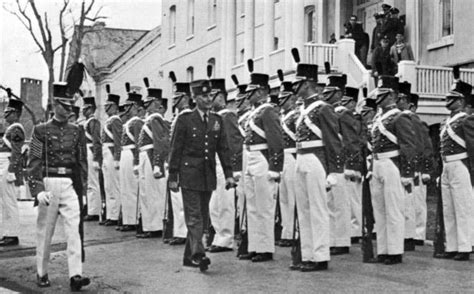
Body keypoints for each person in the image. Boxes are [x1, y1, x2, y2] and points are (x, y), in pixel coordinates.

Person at [28, 83, 90, 291]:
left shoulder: (77, 131)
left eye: (71, 105)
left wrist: (85, 192)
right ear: (55, 105)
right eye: (65, 105)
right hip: (49, 183)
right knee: (45, 232)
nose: (70, 109)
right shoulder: (40, 130)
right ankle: (42, 272)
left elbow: (82, 163)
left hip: (70, 184)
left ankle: (76, 274)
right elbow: (34, 162)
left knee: (74, 231)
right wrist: (38, 191)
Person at [168, 79, 235, 272]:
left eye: (209, 96)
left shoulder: (217, 120)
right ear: (194, 98)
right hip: (189, 174)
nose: (208, 99)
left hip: (208, 175)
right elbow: (176, 149)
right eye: (203, 96)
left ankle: (189, 256)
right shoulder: (185, 119)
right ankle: (199, 254)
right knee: (194, 217)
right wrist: (173, 176)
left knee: (203, 217)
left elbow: (223, 149)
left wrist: (229, 174)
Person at [293, 55, 343, 271]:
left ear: (308, 84)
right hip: (301, 158)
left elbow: (333, 142)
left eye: (299, 83)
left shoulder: (323, 108)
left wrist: (334, 171)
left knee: (317, 208)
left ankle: (320, 256)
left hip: (316, 159)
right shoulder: (302, 109)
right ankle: (308, 255)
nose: (295, 87)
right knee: (303, 209)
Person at [369, 76, 416, 265]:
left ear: (392, 95)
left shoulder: (400, 116)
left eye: (383, 94)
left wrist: (406, 173)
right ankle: (383, 249)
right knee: (379, 210)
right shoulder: (379, 117)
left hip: (392, 164)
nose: (378, 98)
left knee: (394, 209)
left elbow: (408, 146)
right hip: (378, 164)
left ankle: (395, 251)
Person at [240, 71, 284, 263]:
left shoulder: (268, 111)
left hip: (263, 158)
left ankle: (265, 248)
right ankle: (254, 245)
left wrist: (275, 167)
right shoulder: (253, 113)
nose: (249, 95)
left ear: (262, 91)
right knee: (252, 206)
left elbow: (276, 141)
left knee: (264, 206)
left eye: (253, 91)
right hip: (251, 156)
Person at [439, 79, 474, 261]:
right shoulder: (447, 121)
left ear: (461, 101)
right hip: (447, 166)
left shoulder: (466, 120)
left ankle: (465, 246)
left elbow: (472, 146)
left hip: (460, 165)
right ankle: (451, 246)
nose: (448, 101)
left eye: (452, 98)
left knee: (462, 207)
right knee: (449, 208)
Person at [208, 77, 243, 253]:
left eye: (211, 95)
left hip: (224, 164)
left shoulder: (227, 116)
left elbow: (235, 142)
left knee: (225, 202)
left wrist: (234, 169)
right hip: (212, 163)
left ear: (221, 97)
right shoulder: (211, 117)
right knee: (214, 204)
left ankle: (226, 238)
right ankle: (218, 234)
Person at [136, 82, 170, 238]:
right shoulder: (149, 119)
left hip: (150, 156)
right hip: (144, 156)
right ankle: (149, 225)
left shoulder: (155, 119)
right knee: (146, 192)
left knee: (154, 192)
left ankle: (156, 226)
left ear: (157, 103)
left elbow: (159, 142)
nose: (146, 105)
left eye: (149, 103)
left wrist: (157, 164)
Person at [336, 87, 364, 244]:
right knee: (344, 199)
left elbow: (354, 141)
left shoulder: (356, 119)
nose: (344, 105)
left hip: (352, 162)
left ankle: (356, 230)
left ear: (353, 103)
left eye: (347, 102)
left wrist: (352, 165)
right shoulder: (342, 115)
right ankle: (349, 229)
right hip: (342, 161)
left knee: (353, 199)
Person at [167, 73, 192, 245]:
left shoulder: (187, 116)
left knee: (182, 200)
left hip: (185, 162)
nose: (175, 101)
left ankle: (183, 233)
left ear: (186, 98)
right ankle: (179, 230)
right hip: (179, 160)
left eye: (178, 98)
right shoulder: (179, 117)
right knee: (177, 200)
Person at [118, 85, 143, 232]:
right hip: (124, 154)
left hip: (132, 154)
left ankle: (133, 219)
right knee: (126, 188)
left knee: (133, 188)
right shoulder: (128, 123)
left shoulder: (138, 122)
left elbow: (138, 143)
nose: (126, 108)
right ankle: (127, 219)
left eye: (128, 106)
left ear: (134, 106)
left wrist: (136, 161)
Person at [0, 98, 25, 246]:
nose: (5, 115)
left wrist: (12, 171)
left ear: (15, 113)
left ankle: (12, 233)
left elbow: (16, 152)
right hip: (3, 165)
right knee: (4, 202)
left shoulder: (17, 129)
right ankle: (7, 232)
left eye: (8, 112)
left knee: (9, 201)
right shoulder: (11, 129)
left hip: (7, 166)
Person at [277, 78, 299, 247]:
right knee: (283, 197)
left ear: (291, 98)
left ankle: (294, 232)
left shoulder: (297, 115)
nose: (281, 102)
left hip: (293, 156)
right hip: (282, 156)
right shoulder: (281, 117)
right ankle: (286, 231)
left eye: (284, 98)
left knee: (292, 196)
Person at [100, 86, 122, 226]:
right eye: (105, 106)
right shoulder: (109, 120)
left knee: (114, 185)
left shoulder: (115, 121)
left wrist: (117, 158)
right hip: (106, 152)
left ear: (114, 106)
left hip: (112, 153)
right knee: (108, 186)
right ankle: (110, 214)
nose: (106, 108)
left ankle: (115, 215)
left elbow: (118, 140)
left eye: (108, 106)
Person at [82, 96, 102, 222]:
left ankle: (94, 211)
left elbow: (96, 141)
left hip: (90, 151)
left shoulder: (93, 122)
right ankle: (91, 208)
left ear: (90, 109)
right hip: (85, 151)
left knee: (93, 182)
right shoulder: (87, 122)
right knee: (89, 182)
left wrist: (96, 158)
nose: (83, 111)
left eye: (85, 108)